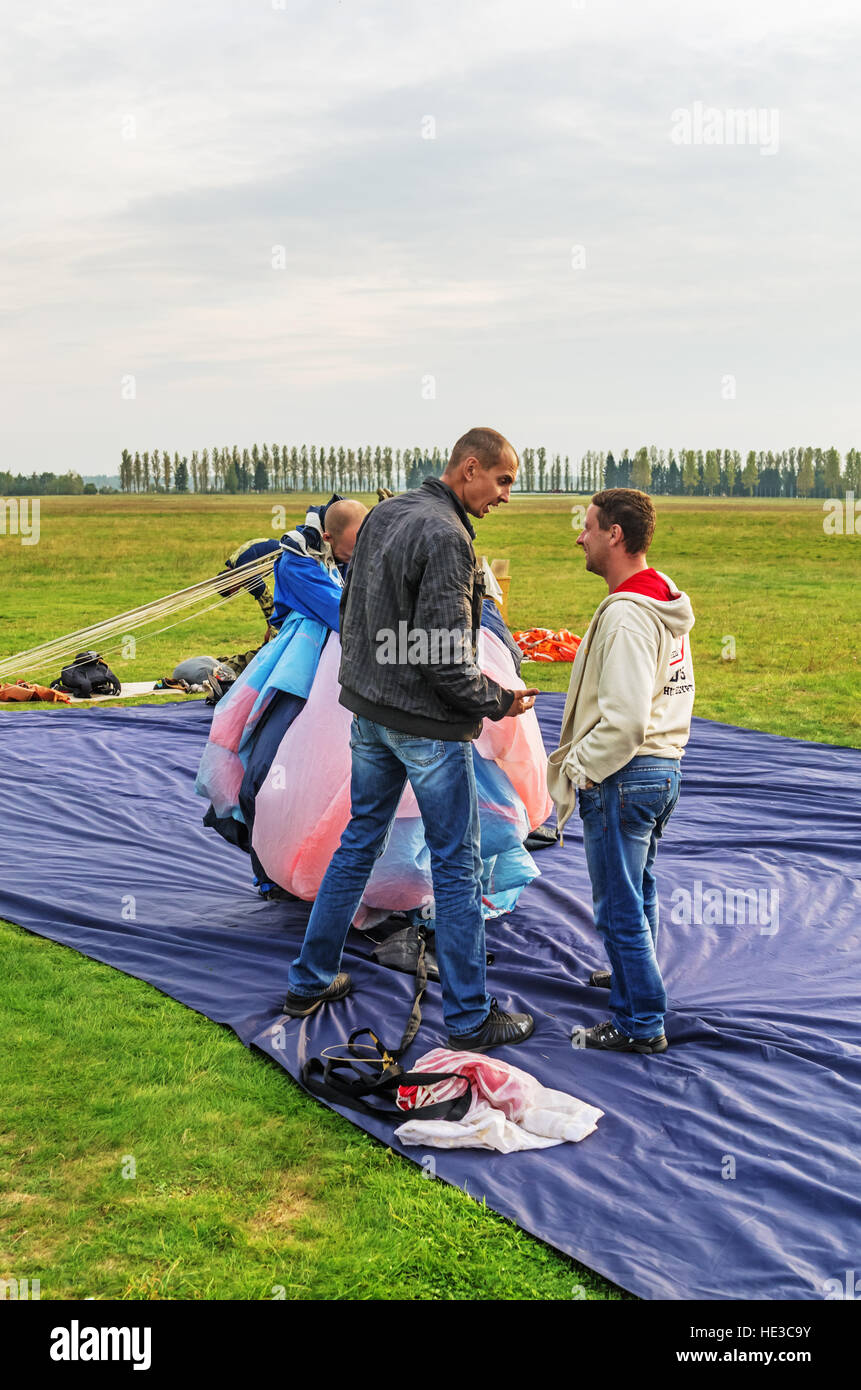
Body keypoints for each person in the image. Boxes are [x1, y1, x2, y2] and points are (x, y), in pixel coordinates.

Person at [282, 427, 541, 1053]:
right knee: (457, 865)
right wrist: (498, 701)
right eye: (503, 481)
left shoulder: (385, 514)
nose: (507, 495)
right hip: (425, 727)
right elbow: (448, 659)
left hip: (370, 715)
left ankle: (309, 981)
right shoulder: (448, 537)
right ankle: (471, 1017)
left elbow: (353, 616)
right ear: (469, 468)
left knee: (358, 842)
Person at [547, 488, 695, 1055]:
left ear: (615, 534)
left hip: (625, 775)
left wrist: (581, 769)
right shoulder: (663, 598)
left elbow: (626, 721)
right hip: (661, 770)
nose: (578, 536)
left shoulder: (629, 618)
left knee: (617, 907)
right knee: (642, 888)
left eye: (587, 526)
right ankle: (635, 978)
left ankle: (638, 1022)